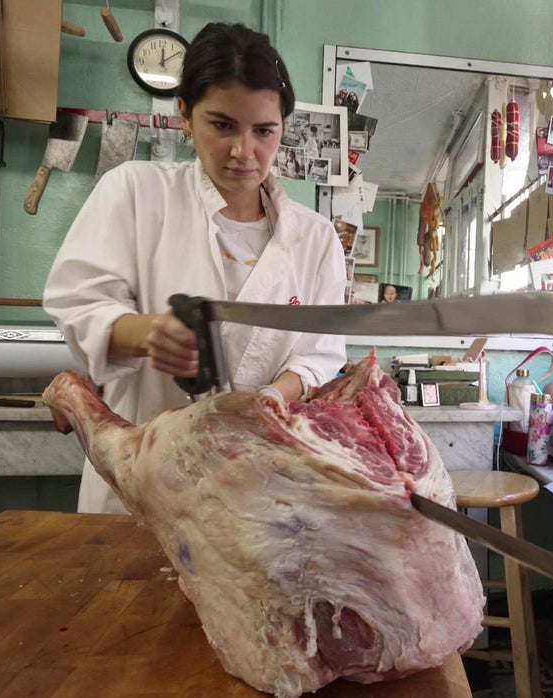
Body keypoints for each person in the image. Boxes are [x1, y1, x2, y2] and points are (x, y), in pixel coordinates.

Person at [43, 22, 348, 514]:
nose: (243, 152)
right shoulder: (136, 192)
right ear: (185, 115)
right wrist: (146, 333)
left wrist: (267, 399)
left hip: (258, 487)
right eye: (222, 124)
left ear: (284, 127)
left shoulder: (315, 238)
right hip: (141, 483)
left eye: (263, 131)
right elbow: (78, 301)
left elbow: (320, 355)